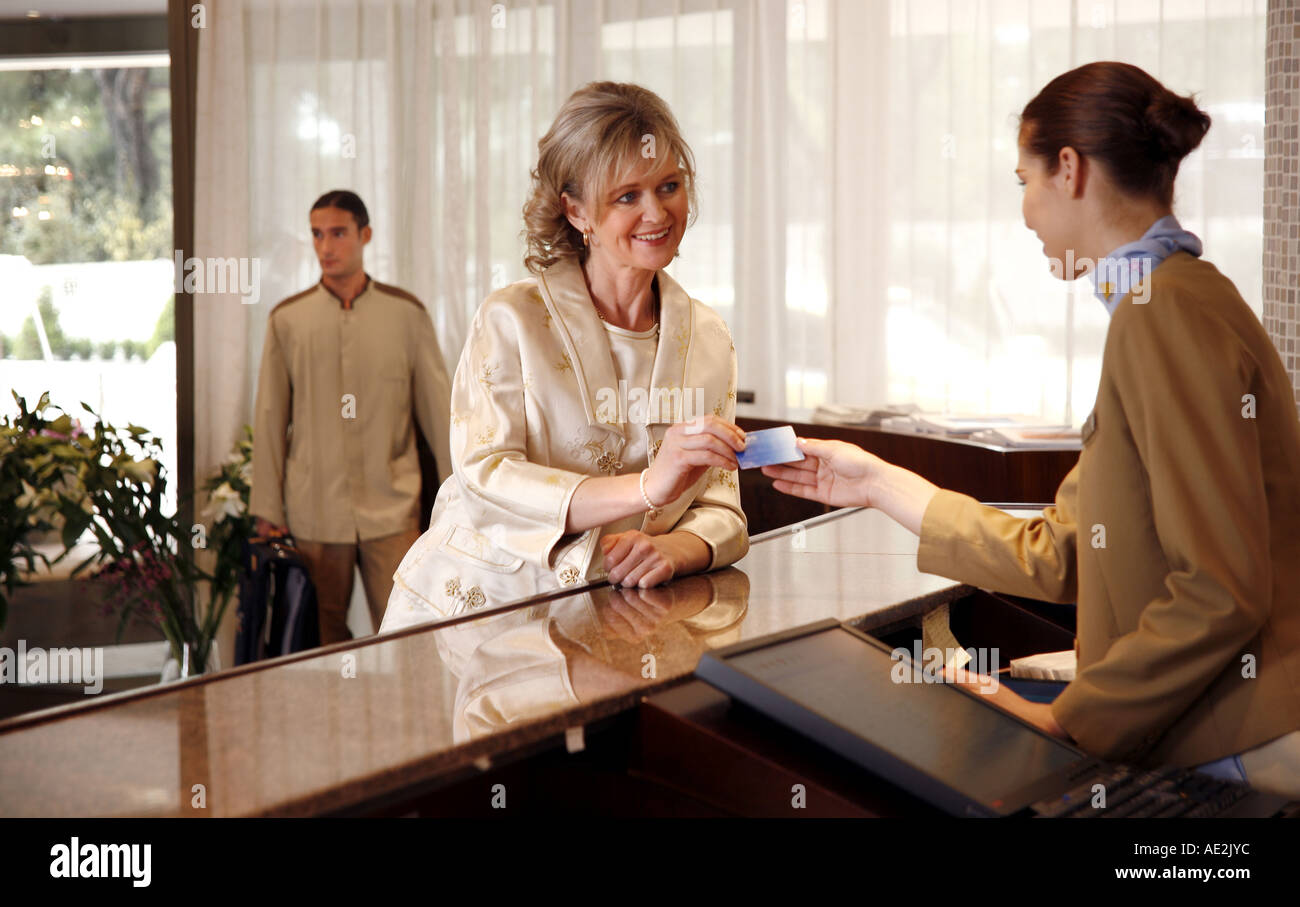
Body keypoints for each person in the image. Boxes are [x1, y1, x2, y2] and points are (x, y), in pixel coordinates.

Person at [763, 62, 1300, 799]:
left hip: (1235, 742)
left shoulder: (1164, 315)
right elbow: (1070, 551)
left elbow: (1220, 588)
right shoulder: (1169, 302)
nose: (1023, 212)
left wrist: (1068, 721)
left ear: (1070, 170)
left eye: (1025, 181)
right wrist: (880, 485)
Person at [380, 82, 748, 633]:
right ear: (576, 211)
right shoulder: (511, 320)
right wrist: (650, 485)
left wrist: (677, 549)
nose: (657, 212)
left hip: (616, 624)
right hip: (477, 618)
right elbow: (488, 474)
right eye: (627, 196)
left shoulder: (710, 338)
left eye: (669, 186)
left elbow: (722, 508)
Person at [250, 190, 453, 644]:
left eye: (338, 233)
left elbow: (440, 417)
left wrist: (455, 501)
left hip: (393, 509)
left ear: (365, 235)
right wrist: (266, 507)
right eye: (317, 235)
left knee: (409, 631)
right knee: (319, 641)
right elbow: (269, 418)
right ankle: (332, 718)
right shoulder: (288, 320)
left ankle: (409, 717)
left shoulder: (406, 315)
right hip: (314, 510)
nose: (326, 246)